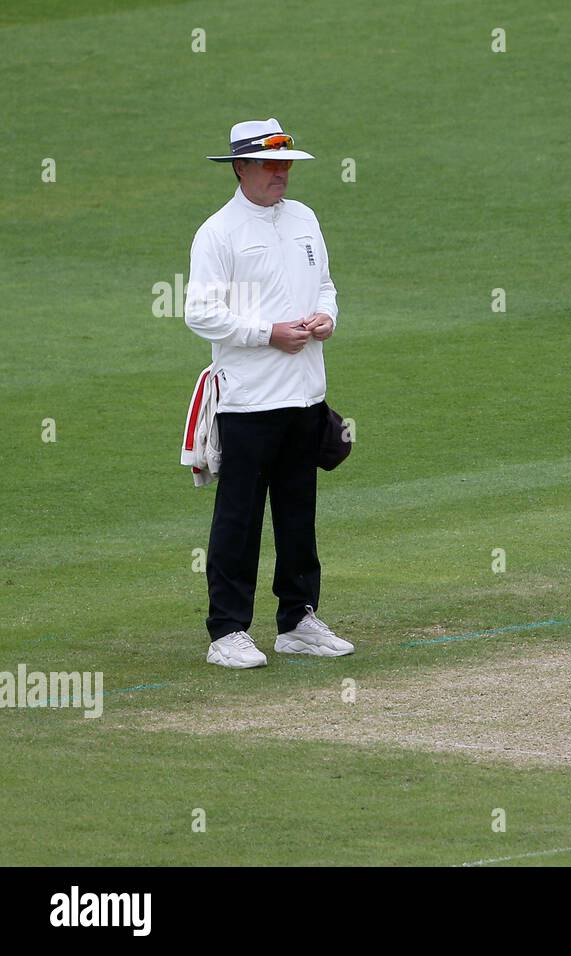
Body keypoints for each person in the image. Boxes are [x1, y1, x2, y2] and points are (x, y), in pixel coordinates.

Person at [185, 118, 353, 668]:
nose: (281, 173)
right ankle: (226, 631)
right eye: (269, 164)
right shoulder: (218, 233)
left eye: (286, 164)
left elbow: (325, 284)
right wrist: (267, 334)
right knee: (238, 517)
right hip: (250, 401)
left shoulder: (304, 218)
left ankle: (298, 619)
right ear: (241, 168)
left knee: (298, 513)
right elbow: (200, 312)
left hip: (305, 395)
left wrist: (326, 316)